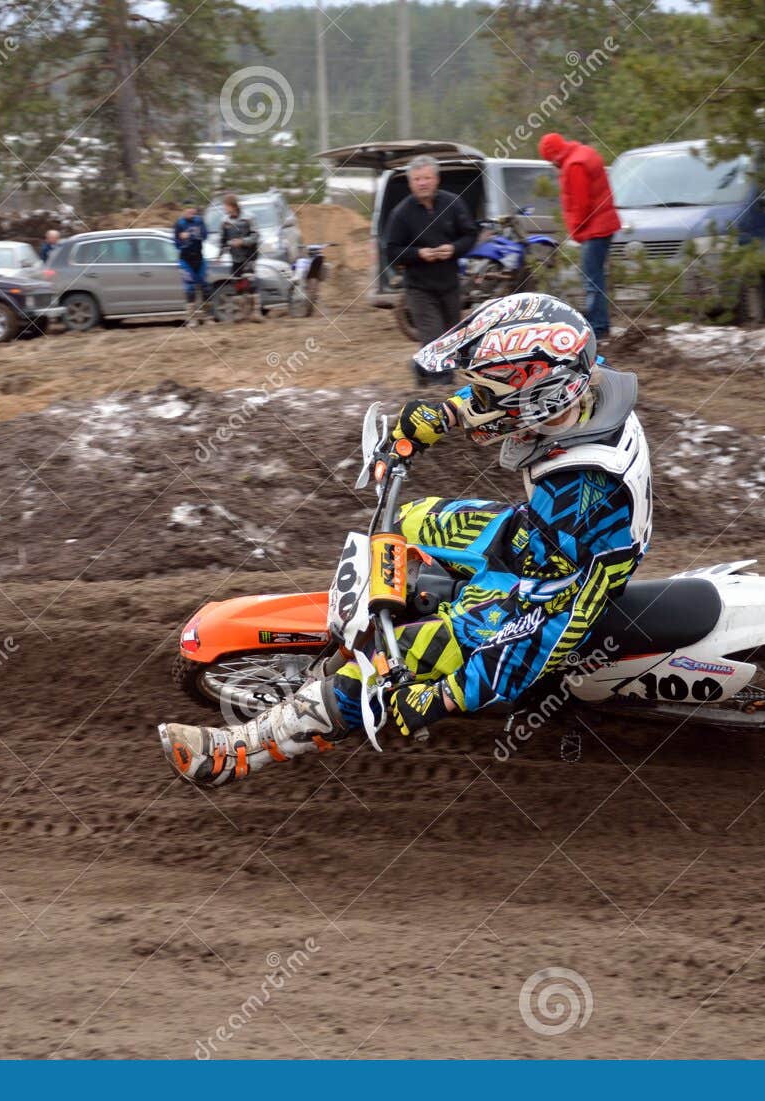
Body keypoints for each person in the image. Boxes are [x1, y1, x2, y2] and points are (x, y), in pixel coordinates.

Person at [159, 293, 653, 785]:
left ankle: (238, 752)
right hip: (535, 539)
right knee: (410, 519)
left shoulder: (584, 490)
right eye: (476, 391)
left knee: (392, 663)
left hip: (554, 586)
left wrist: (443, 697)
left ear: (537, 399)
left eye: (484, 393)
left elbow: (555, 626)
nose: (476, 399)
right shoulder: (584, 389)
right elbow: (520, 391)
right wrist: (447, 415)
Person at [383, 155, 479, 377]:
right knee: (435, 340)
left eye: (426, 178)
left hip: (450, 285)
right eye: (417, 179)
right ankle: (440, 393)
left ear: (436, 179)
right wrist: (419, 253)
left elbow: (470, 235)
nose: (422, 183)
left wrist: (454, 249)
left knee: (451, 339)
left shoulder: (453, 203)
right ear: (410, 183)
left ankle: (418, 368)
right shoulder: (401, 213)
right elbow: (391, 251)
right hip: (419, 288)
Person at [539, 133, 622, 341]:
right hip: (603, 226)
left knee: (591, 281)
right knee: (596, 278)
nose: (553, 165)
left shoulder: (574, 165)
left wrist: (575, 229)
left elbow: (581, 205)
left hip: (594, 230)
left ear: (554, 155)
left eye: (551, 161)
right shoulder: (584, 153)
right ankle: (600, 323)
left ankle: (599, 328)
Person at [218, 193, 263, 322]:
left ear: (233, 206)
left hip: (250, 256)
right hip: (235, 258)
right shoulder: (225, 221)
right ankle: (241, 313)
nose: (224, 209)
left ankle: (256, 312)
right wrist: (220, 254)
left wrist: (242, 241)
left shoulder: (249, 217)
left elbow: (256, 236)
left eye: (226, 206)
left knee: (251, 282)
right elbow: (222, 240)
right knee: (238, 285)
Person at [173, 202, 209, 326]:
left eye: (193, 209)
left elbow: (205, 236)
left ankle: (207, 317)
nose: (191, 212)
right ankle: (191, 319)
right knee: (190, 289)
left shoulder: (199, 221)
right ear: (183, 210)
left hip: (199, 258)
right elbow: (176, 244)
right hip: (185, 260)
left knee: (205, 288)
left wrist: (193, 234)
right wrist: (181, 238)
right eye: (188, 209)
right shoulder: (179, 224)